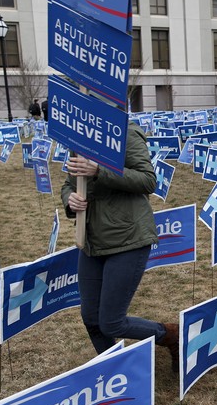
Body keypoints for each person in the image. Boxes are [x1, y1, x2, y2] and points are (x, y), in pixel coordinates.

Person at [61, 122, 179, 371]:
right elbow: (69, 184)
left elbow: (147, 181)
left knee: (111, 323)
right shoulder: (78, 139)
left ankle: (172, 336)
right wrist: (69, 200)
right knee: (91, 318)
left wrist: (99, 170)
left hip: (128, 238)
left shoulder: (126, 133)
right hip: (91, 240)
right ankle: (116, 370)